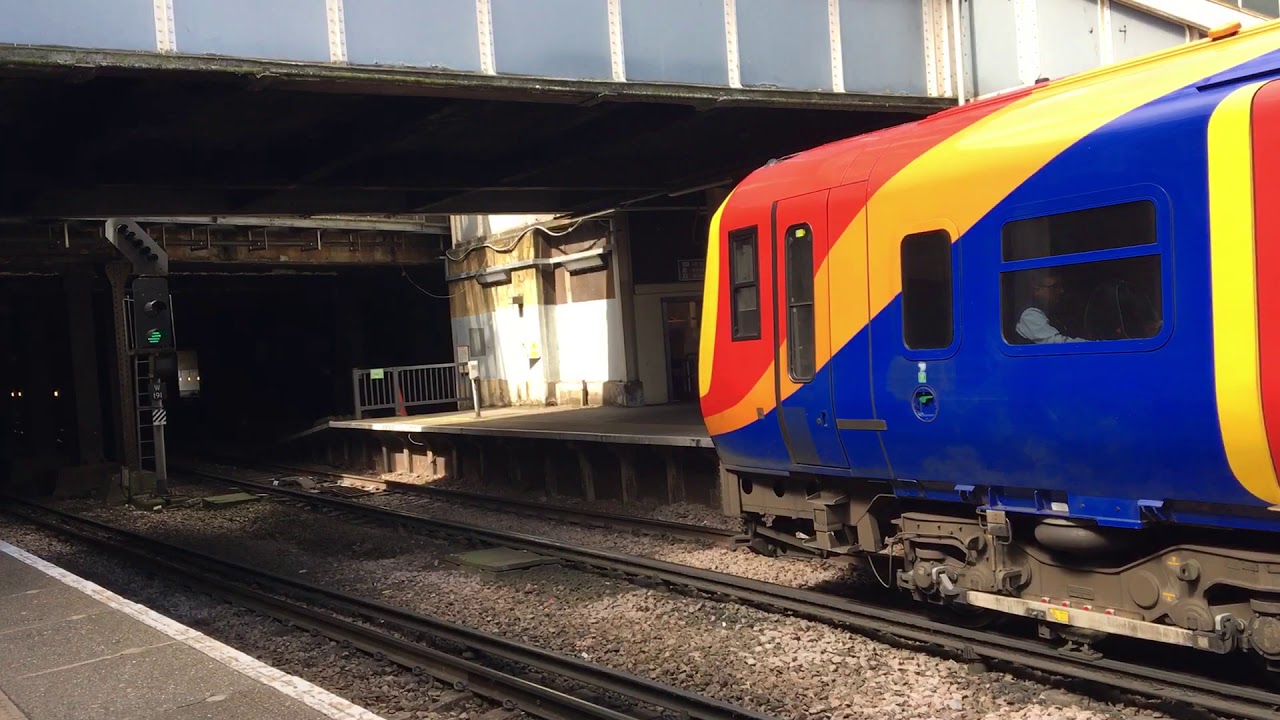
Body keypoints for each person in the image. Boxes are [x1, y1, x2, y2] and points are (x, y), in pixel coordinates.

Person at [1016, 268, 1087, 344]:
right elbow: (1056, 344)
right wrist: (1094, 346)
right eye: (1055, 287)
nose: (1061, 290)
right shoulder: (1030, 315)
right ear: (1037, 290)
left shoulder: (1054, 313)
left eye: (1061, 285)